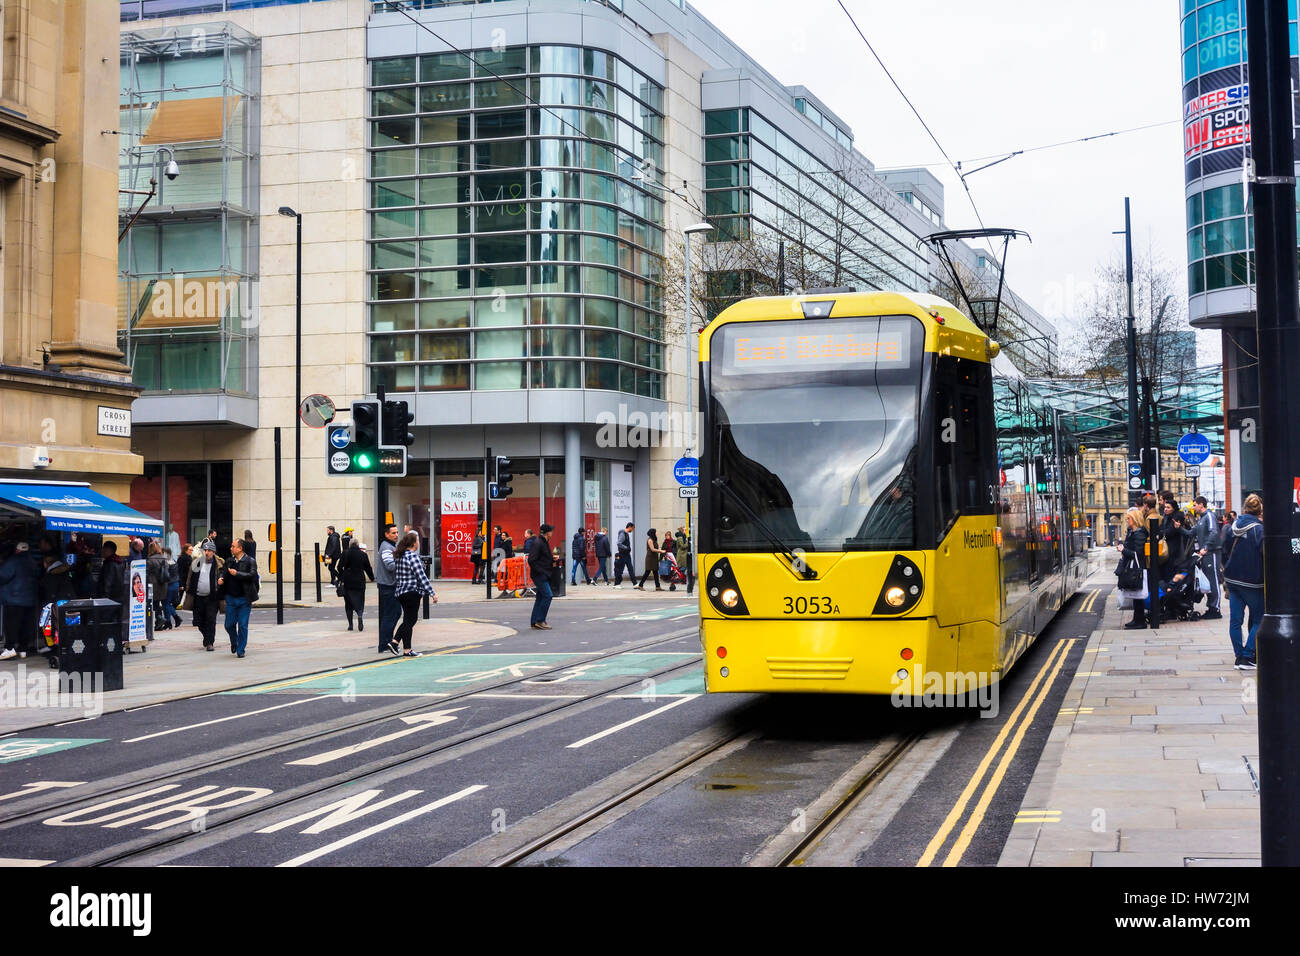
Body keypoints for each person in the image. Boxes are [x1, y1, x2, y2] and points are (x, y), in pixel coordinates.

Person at [1222, 494, 1264, 670]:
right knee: (1260, 619)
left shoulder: (1233, 526)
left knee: (1235, 620)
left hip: (1232, 578)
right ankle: (1247, 657)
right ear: (1260, 510)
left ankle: (1239, 656)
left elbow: (1224, 549)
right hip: (1252, 581)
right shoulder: (1259, 530)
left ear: (1245, 508)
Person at [391, 531, 435, 657]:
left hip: (401, 592)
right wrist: (432, 593)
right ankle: (396, 643)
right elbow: (421, 576)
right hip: (411, 592)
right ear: (414, 543)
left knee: (408, 620)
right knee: (410, 620)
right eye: (417, 541)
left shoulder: (400, 555)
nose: (418, 543)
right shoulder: (412, 556)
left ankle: (404, 648)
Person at [218, 537, 257, 658]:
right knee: (228, 625)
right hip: (231, 598)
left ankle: (241, 649)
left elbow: (252, 575)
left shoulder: (250, 561)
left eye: (233, 546)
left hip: (244, 598)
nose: (231, 548)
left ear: (240, 548)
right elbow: (223, 572)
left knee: (243, 625)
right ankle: (234, 641)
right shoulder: (229, 561)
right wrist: (221, 578)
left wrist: (237, 574)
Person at [0, 542, 40, 660]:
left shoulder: (13, 562)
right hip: (30, 599)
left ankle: (10, 648)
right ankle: (23, 649)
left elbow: (2, 576)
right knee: (25, 625)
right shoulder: (33, 562)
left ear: (17, 550)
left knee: (11, 624)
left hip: (14, 599)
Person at [1115, 507, 1149, 630]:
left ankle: (1140, 622)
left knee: (1138, 595)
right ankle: (1137, 619)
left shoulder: (1139, 533)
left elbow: (1138, 554)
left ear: (1134, 519)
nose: (1127, 520)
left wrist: (1123, 549)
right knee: (1136, 595)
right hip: (1131, 566)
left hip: (1136, 568)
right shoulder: (1132, 531)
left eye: (1128, 518)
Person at [188, 541, 223, 651]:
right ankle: (206, 637)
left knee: (211, 620)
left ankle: (209, 643)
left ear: (213, 552)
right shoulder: (197, 563)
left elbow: (223, 575)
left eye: (209, 551)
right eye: (205, 550)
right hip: (198, 597)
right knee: (198, 621)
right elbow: (190, 578)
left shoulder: (219, 564)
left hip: (212, 597)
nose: (206, 553)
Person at [1192, 496, 1223, 620]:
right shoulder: (1201, 519)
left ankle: (1215, 608)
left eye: (1194, 505)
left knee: (1213, 579)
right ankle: (1211, 607)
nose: (1193, 507)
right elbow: (1191, 532)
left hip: (1212, 552)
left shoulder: (1209, 516)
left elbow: (1214, 532)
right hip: (1205, 553)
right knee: (1209, 581)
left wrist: (1206, 547)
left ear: (1201, 505)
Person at [337, 538, 374, 632]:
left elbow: (339, 567)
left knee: (348, 603)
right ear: (358, 545)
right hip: (360, 580)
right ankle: (360, 614)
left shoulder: (345, 553)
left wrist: (342, 575)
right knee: (360, 600)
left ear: (350, 545)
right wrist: (372, 578)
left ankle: (350, 625)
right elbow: (368, 568)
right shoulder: (363, 554)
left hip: (348, 581)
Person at [374, 522, 401, 655]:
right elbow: (390, 565)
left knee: (395, 613)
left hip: (390, 585)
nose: (396, 535)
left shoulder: (390, 546)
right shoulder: (386, 548)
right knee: (390, 615)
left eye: (397, 532)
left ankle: (387, 642)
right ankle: (385, 644)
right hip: (388, 586)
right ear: (386, 534)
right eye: (393, 533)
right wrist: (402, 561)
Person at [528, 524, 556, 630]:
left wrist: (552, 559)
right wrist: (541, 572)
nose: (552, 533)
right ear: (547, 533)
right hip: (540, 575)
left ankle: (534, 622)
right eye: (551, 531)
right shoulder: (538, 543)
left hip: (543, 574)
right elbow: (531, 560)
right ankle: (540, 620)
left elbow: (542, 558)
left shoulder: (543, 542)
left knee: (540, 598)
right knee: (548, 596)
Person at [145, 540, 168, 629]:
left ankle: (159, 619)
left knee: (152, 604)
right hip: (163, 584)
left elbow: (146, 573)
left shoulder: (150, 560)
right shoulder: (164, 558)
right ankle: (159, 623)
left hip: (153, 585)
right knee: (157, 604)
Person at [161, 547, 183, 629]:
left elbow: (165, 575)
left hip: (169, 584)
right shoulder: (174, 560)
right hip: (175, 584)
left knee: (165, 604)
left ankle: (170, 621)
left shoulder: (165, 562)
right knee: (168, 603)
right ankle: (173, 620)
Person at [614, 522, 635, 587]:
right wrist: (626, 548)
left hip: (626, 554)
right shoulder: (623, 533)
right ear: (629, 527)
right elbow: (619, 543)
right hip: (622, 554)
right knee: (620, 570)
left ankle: (635, 583)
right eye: (633, 528)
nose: (633, 530)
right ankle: (617, 584)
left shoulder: (626, 534)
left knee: (630, 569)